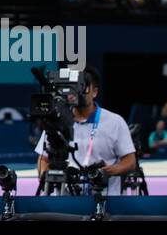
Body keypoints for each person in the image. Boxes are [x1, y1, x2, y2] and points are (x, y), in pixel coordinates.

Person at [34, 67, 137, 196]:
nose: (77, 92)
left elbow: (130, 161)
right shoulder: (58, 120)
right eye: (73, 87)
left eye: (83, 87)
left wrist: (109, 171)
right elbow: (43, 159)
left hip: (103, 199)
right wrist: (46, 175)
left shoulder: (115, 122)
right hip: (64, 201)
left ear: (94, 92)